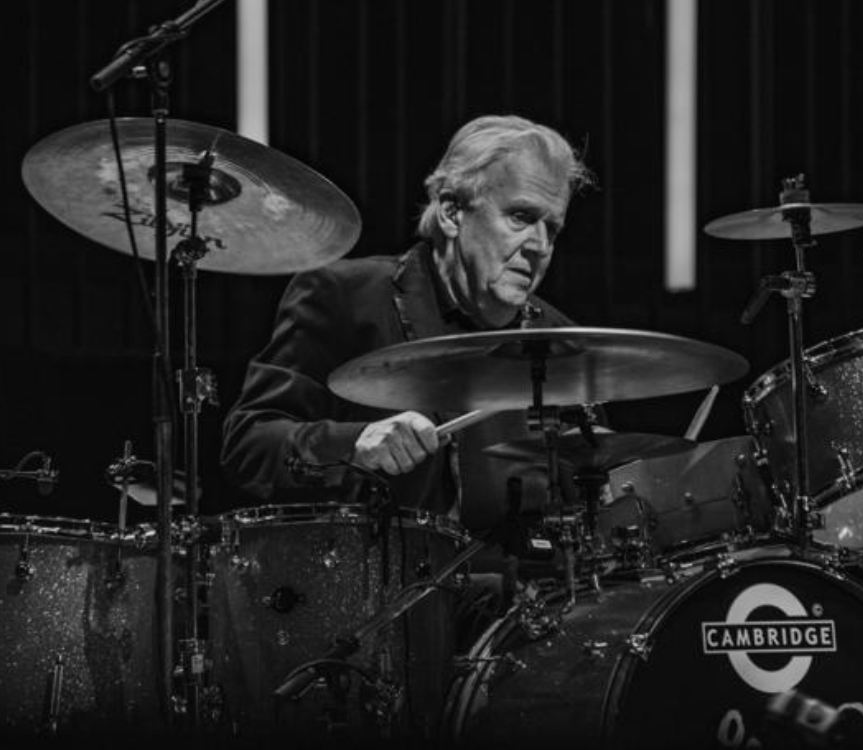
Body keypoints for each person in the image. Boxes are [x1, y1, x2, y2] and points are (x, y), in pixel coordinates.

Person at [221, 114, 593, 521]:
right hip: (381, 559)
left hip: (517, 562)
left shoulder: (560, 338)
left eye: (552, 228)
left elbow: (593, 474)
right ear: (451, 212)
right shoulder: (344, 295)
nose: (540, 246)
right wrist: (355, 445)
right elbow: (249, 444)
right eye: (520, 217)